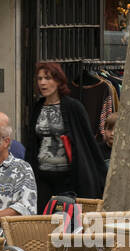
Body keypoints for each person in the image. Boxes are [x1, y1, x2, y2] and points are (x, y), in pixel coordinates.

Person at [25, 61, 107, 204]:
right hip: (42, 176)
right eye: (39, 79)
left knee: (68, 220)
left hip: (68, 178)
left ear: (58, 81)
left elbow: (87, 142)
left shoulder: (73, 107)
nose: (42, 83)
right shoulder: (37, 107)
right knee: (43, 219)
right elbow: (32, 143)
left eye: (48, 78)